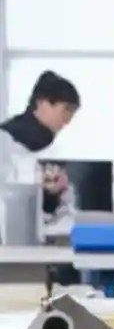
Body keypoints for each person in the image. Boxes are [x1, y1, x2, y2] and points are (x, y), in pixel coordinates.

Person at [0, 71, 79, 247]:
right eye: (65, 110)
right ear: (42, 103)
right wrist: (36, 182)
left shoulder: (54, 151)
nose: (67, 121)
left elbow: (62, 211)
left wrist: (54, 194)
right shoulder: (5, 140)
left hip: (39, 241)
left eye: (72, 113)